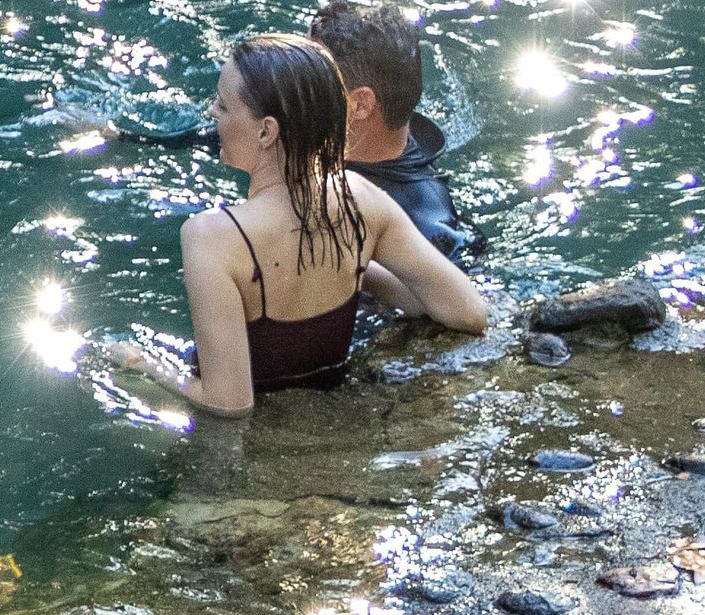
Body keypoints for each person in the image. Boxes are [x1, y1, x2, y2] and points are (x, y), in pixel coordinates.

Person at [175, 33, 489, 408]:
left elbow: (229, 403)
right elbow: (468, 311)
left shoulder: (211, 236)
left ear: (266, 131)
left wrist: (143, 366)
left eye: (223, 106)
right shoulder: (360, 197)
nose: (212, 113)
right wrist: (354, 268)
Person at [310, 0, 485, 263]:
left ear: (359, 105)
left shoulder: (425, 229)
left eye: (310, 71)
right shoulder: (300, 124)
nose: (293, 76)